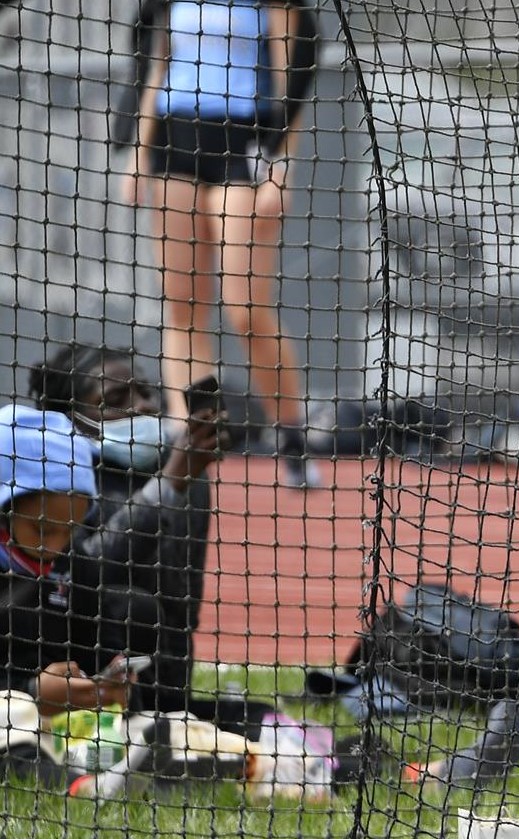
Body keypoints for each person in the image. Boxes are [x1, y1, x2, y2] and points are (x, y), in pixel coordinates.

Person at [115, 0, 322, 488]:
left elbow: (290, 78)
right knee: (184, 307)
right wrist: (138, 155)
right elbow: (154, 68)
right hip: (175, 144)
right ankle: (192, 441)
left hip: (243, 148)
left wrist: (280, 169)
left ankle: (292, 435)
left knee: (245, 309)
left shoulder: (276, 5)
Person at [30, 347, 230, 717]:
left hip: (161, 677)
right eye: (116, 399)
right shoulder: (55, 479)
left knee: (260, 721)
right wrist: (169, 485)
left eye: (145, 393)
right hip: (71, 676)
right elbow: (81, 575)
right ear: (72, 418)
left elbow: (180, 606)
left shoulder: (188, 472)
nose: (142, 406)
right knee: (133, 606)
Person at [0, 407, 158, 778]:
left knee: (137, 610)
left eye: (69, 530)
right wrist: (31, 689)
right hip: (13, 715)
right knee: (13, 720)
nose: (54, 545)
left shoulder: (73, 563)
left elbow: (95, 635)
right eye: (41, 529)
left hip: (69, 723)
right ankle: (75, 783)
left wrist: (106, 684)